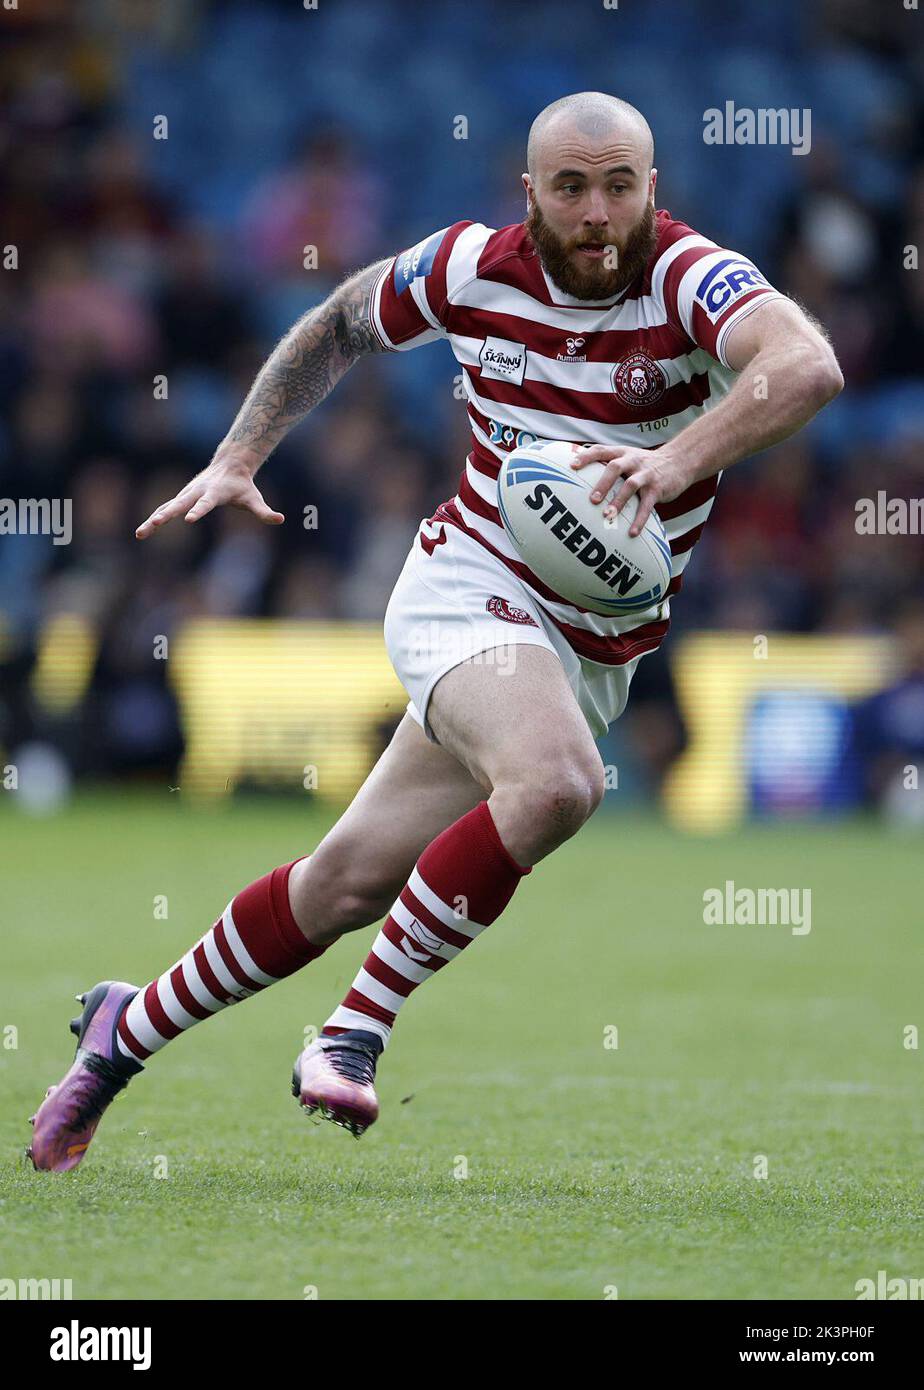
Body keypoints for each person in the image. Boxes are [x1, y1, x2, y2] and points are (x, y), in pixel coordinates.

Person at [28, 92, 843, 1171]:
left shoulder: (691, 274)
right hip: (466, 583)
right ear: (530, 194)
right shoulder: (468, 267)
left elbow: (809, 366)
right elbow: (337, 324)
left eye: (620, 185)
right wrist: (237, 454)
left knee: (344, 883)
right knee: (557, 783)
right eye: (571, 188)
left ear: (653, 187)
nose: (598, 213)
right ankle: (355, 1029)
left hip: (594, 645)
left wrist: (679, 457)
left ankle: (120, 1032)